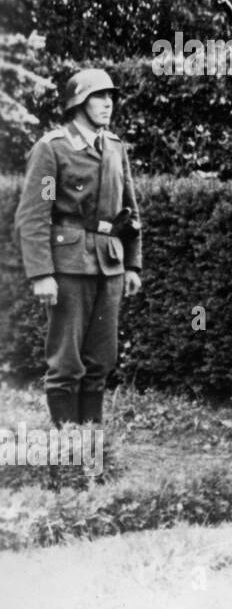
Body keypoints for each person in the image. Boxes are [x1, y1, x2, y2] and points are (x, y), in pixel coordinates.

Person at [15, 68, 142, 484]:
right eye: (98, 97)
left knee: (100, 364)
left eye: (111, 97)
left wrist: (134, 264)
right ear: (77, 103)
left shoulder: (114, 147)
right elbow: (35, 215)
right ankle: (66, 465)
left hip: (109, 265)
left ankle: (93, 457)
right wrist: (41, 273)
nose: (108, 103)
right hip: (68, 267)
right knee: (65, 365)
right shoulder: (54, 149)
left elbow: (130, 212)